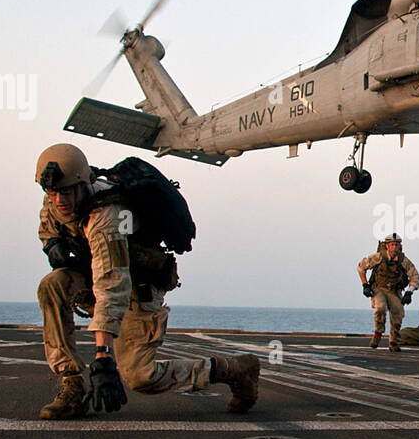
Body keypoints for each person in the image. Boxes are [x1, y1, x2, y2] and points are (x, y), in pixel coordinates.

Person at [34, 142, 260, 419]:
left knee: (141, 377)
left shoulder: (107, 216)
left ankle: (235, 370)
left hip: (137, 286)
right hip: (96, 277)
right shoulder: (56, 202)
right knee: (52, 285)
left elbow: (112, 286)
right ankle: (73, 387)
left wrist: (104, 358)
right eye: (52, 192)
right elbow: (48, 227)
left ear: (82, 184)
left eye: (66, 191)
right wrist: (52, 244)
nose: (59, 200)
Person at [357, 233, 419, 351]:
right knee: (380, 307)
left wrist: (409, 292)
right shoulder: (378, 257)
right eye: (392, 245)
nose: (394, 247)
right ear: (387, 246)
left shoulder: (404, 261)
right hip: (379, 288)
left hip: (394, 291)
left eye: (397, 245)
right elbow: (361, 267)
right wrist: (365, 285)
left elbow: (415, 277)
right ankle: (378, 333)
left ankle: (393, 342)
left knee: (398, 313)